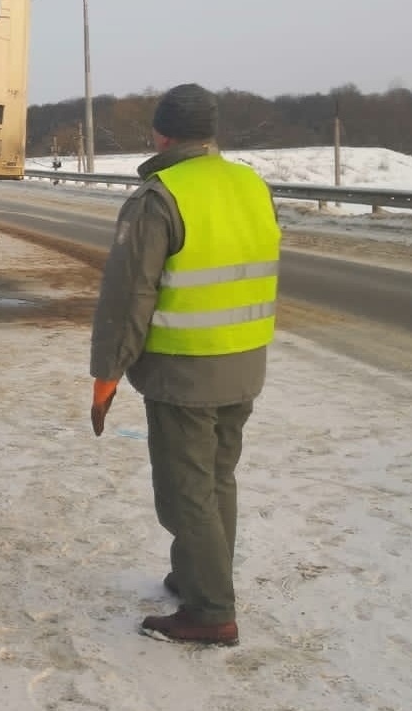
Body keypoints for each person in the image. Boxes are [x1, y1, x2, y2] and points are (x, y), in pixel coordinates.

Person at [88, 84, 280, 647]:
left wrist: (106, 376)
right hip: (244, 363)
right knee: (218, 479)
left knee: (185, 491)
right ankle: (197, 575)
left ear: (161, 133)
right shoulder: (251, 185)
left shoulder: (159, 197)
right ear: (210, 133)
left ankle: (210, 611)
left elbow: (128, 300)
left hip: (184, 371)